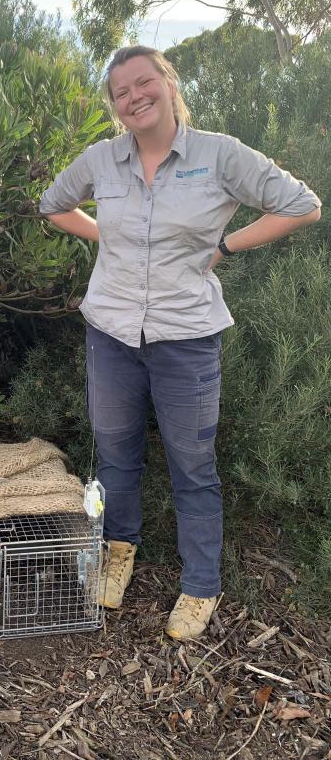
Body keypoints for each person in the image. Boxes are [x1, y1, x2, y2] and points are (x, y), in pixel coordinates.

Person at [39, 46, 321, 640]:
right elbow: (53, 205)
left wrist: (226, 247)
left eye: (145, 83)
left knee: (192, 466)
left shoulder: (218, 155)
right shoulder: (102, 159)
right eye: (121, 92)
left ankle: (200, 585)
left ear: (168, 84)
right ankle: (119, 553)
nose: (134, 97)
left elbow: (302, 206)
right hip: (111, 333)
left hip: (186, 339)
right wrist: (106, 240)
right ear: (114, 106)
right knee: (114, 455)